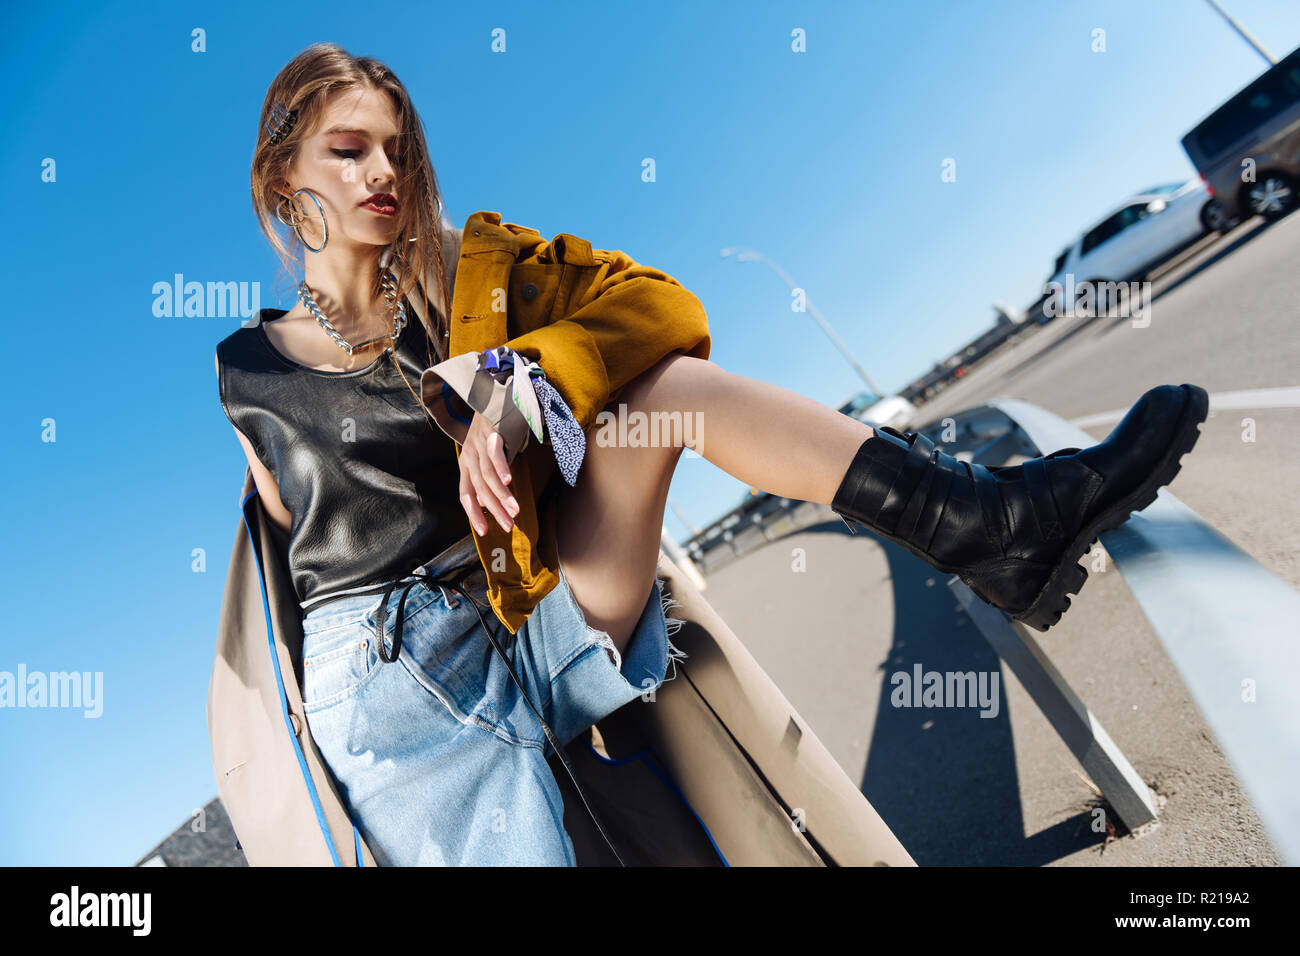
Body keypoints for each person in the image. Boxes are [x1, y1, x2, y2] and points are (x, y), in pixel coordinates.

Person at [215, 42, 1208, 866]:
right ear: (282, 176)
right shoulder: (244, 369)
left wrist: (529, 379)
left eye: (396, 149)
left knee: (662, 390)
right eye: (348, 151)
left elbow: (665, 307)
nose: (382, 172)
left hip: (529, 610)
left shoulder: (480, 270)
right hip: (392, 689)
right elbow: (281, 582)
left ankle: (988, 525)